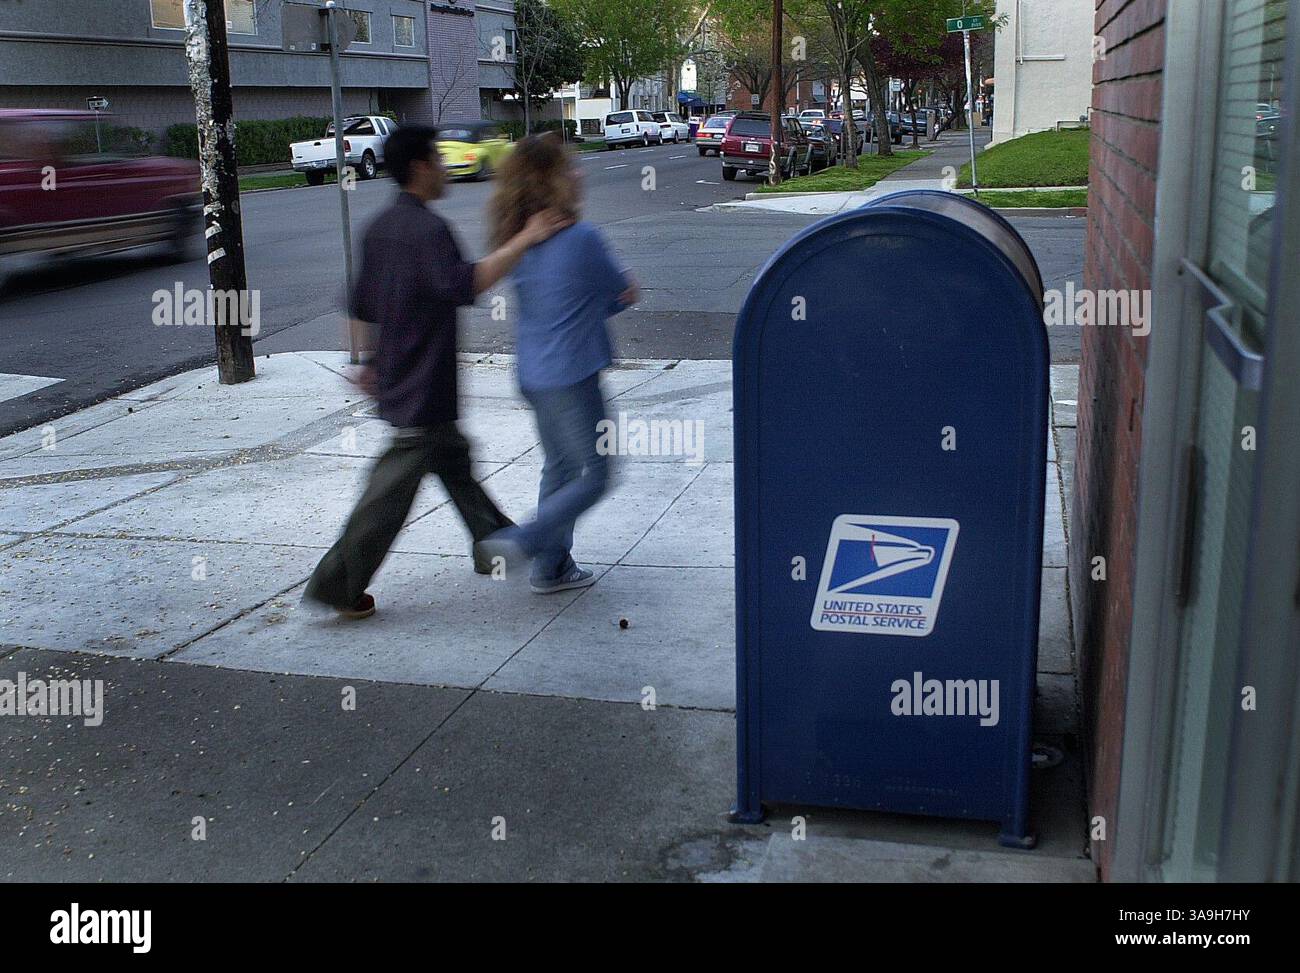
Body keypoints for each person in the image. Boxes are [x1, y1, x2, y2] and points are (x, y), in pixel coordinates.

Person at [304, 124, 570, 619]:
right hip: (422, 381)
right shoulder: (427, 230)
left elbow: (358, 304)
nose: (446, 168)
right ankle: (336, 586)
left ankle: (495, 543)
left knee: (453, 458)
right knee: (390, 491)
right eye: (440, 159)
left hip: (401, 376)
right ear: (422, 167)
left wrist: (361, 363)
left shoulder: (379, 226)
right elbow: (469, 283)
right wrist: (527, 238)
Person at [477, 135, 638, 594]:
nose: (580, 174)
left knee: (560, 467)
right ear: (553, 180)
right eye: (571, 168)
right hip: (573, 374)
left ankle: (552, 567)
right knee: (598, 474)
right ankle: (524, 542)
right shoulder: (583, 238)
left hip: (533, 374)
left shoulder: (516, 238)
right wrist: (608, 298)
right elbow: (622, 293)